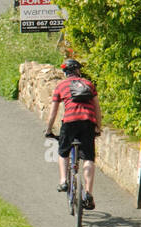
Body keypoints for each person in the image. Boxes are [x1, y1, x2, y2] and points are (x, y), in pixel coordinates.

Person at [44, 57, 102, 210]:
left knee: (63, 152)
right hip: (88, 121)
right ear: (78, 71)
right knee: (88, 157)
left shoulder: (60, 86)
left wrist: (49, 130)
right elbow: (97, 109)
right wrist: (98, 127)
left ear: (65, 72)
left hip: (69, 122)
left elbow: (53, 112)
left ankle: (63, 181)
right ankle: (88, 192)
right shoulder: (89, 84)